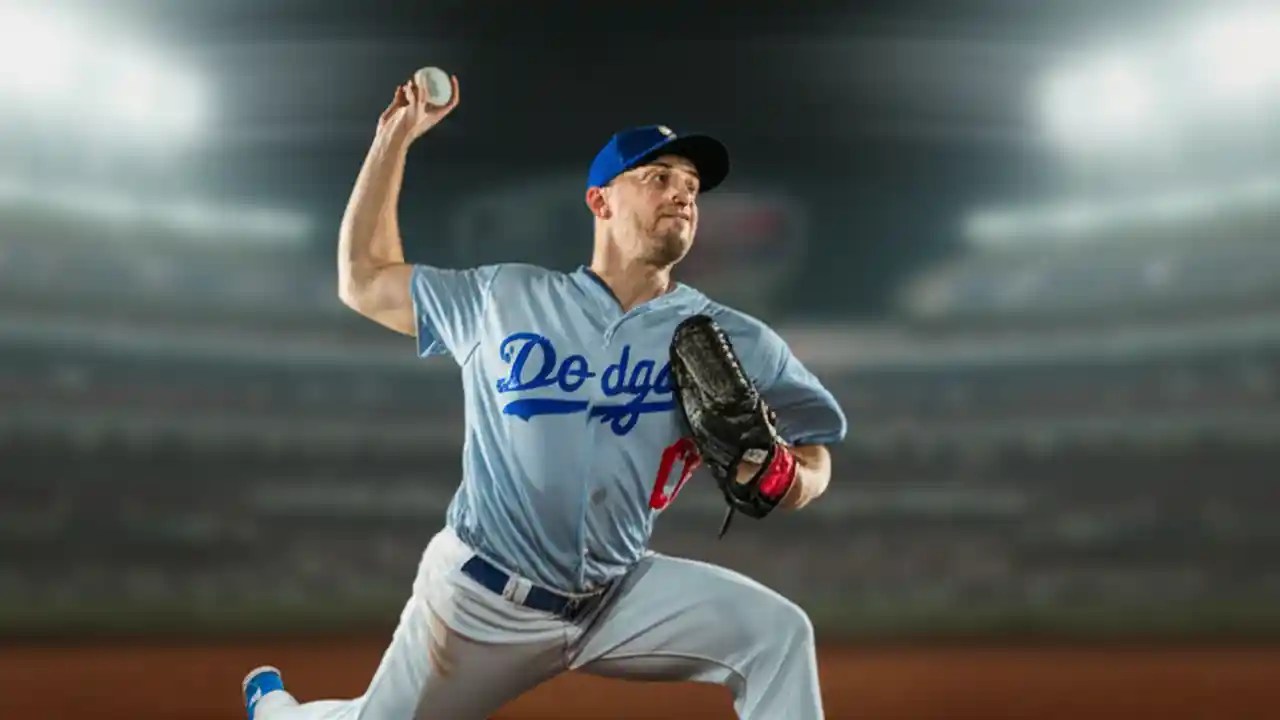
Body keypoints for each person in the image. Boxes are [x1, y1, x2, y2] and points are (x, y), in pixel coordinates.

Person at [241, 71, 847, 720]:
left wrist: (793, 478)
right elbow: (364, 279)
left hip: (618, 595)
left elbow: (816, 448)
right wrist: (395, 138)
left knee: (777, 634)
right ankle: (279, 712)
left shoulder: (732, 336)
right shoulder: (503, 299)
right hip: (482, 602)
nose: (683, 194)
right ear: (600, 200)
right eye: (658, 177)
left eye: (693, 187)